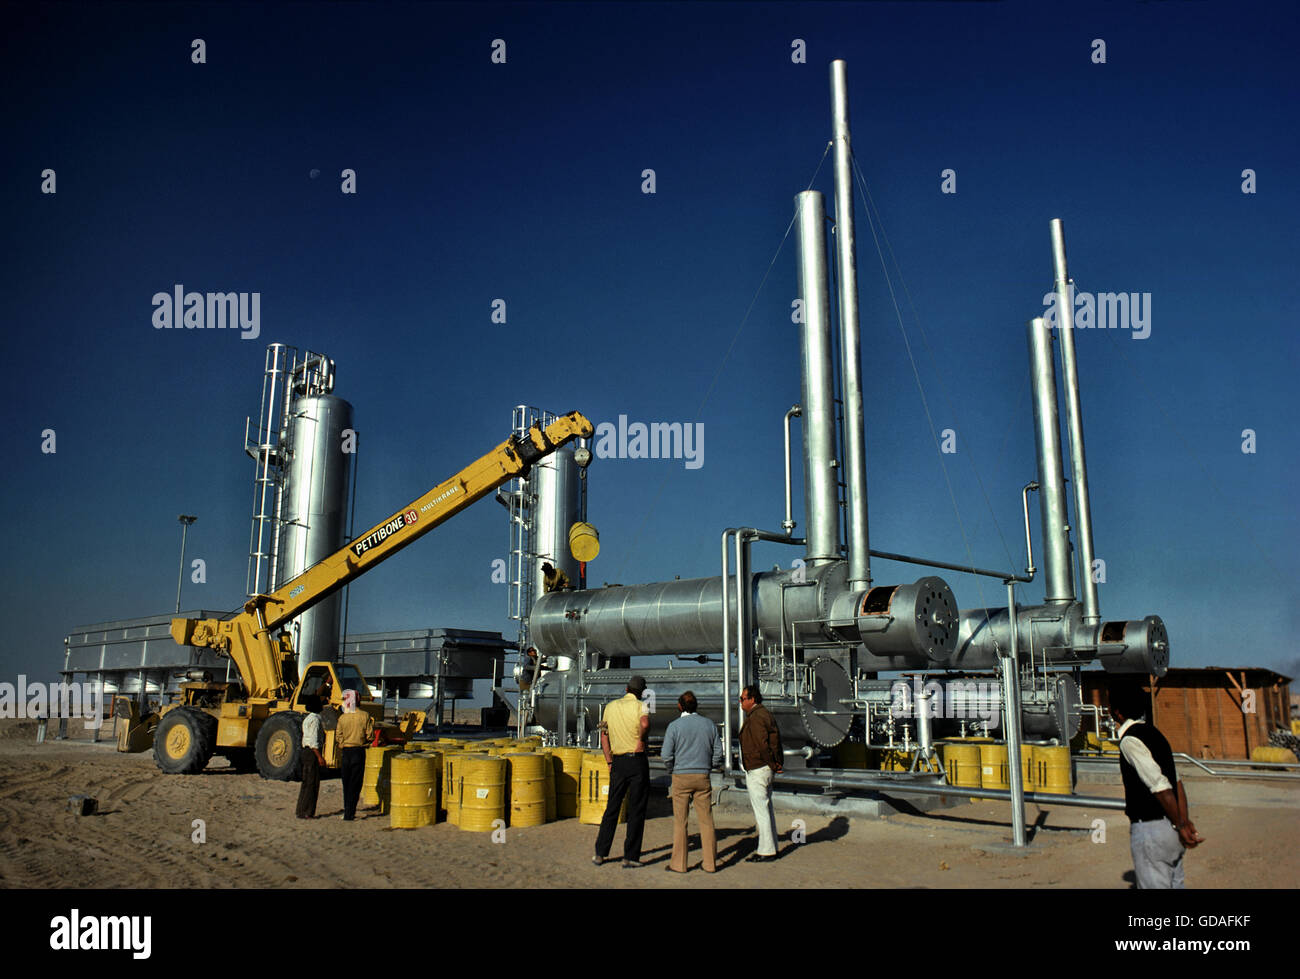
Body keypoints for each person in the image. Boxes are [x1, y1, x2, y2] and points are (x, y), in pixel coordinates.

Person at [1109, 682, 1204, 888]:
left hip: (1151, 830)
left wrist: (1181, 825)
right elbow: (1176, 783)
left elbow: (1160, 786)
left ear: (1116, 713)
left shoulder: (1130, 741)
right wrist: (1184, 822)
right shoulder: (1157, 736)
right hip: (1171, 827)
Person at [660, 690, 722, 873]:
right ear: (696, 706)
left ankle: (679, 864)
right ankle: (710, 864)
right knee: (706, 820)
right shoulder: (708, 724)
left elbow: (665, 755)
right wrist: (709, 766)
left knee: (681, 821)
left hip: (681, 776)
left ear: (679, 706)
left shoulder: (674, 726)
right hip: (702, 775)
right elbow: (718, 751)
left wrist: (672, 769)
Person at [593, 675, 650, 868]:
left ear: (626, 689)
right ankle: (630, 856)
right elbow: (644, 724)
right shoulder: (641, 706)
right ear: (641, 692)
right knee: (636, 810)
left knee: (612, 808)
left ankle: (600, 853)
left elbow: (603, 736)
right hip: (636, 761)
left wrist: (609, 760)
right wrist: (641, 741)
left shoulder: (611, 707)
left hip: (618, 762)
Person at [739, 684, 782, 862]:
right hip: (764, 767)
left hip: (758, 768)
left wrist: (772, 763)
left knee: (761, 811)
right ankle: (771, 846)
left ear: (752, 700)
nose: (740, 702)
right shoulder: (764, 714)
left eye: (742, 699)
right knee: (767, 808)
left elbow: (762, 744)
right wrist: (776, 763)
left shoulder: (756, 717)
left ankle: (766, 851)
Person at [334, 688, 374, 821]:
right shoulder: (365, 716)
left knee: (346, 782)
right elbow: (370, 735)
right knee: (356, 783)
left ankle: (347, 810)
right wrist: (365, 742)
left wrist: (342, 744)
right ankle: (351, 811)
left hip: (346, 751)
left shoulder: (342, 718)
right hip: (359, 751)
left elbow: (338, 736)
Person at [296, 695, 325, 819]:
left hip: (305, 751)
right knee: (312, 783)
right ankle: (308, 811)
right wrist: (319, 757)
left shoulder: (307, 718)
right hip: (312, 752)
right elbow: (313, 741)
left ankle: (301, 810)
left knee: (306, 782)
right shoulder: (316, 720)